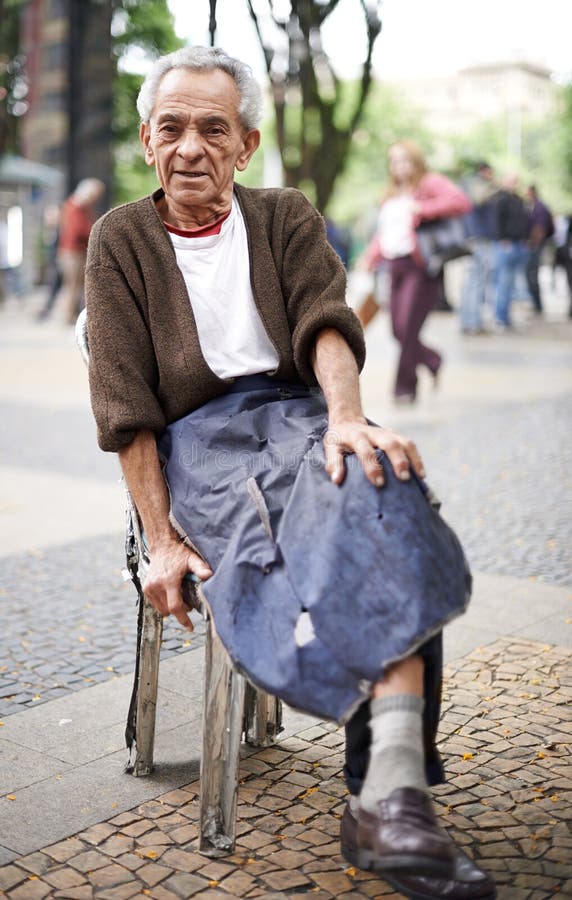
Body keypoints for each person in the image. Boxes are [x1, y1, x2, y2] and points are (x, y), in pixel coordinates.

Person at [85, 47, 495, 900]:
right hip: (196, 443)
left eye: (213, 129)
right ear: (146, 139)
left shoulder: (285, 216)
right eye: (172, 129)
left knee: (385, 487)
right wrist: (159, 542)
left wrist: (347, 419)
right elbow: (125, 406)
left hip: (301, 414)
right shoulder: (121, 238)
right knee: (268, 544)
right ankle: (393, 794)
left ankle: (387, 793)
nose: (191, 148)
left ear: (247, 144)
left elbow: (326, 322)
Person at [359, 140, 471, 404]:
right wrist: (370, 257)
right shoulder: (391, 193)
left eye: (404, 159)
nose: (398, 165)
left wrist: (423, 208)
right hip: (393, 266)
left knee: (408, 328)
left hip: (419, 266)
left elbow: (460, 202)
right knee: (397, 330)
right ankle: (432, 359)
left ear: (416, 160)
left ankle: (404, 388)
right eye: (394, 160)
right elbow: (384, 233)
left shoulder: (429, 183)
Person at [55, 178, 105, 324]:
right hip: (72, 253)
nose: (96, 200)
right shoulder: (74, 207)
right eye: (95, 196)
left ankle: (70, 316)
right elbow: (78, 230)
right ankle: (68, 317)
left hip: (75, 252)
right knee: (72, 286)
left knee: (75, 286)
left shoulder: (81, 208)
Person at [459, 161, 499, 335]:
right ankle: (473, 323)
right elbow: (478, 198)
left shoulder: (471, 183)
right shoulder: (476, 183)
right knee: (475, 282)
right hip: (478, 239)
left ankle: (470, 321)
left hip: (476, 238)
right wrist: (495, 187)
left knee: (473, 282)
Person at [492, 173, 530, 331]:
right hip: (506, 245)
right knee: (503, 282)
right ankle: (500, 318)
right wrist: (502, 239)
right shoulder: (500, 199)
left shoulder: (518, 200)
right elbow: (495, 222)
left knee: (511, 284)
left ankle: (506, 317)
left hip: (519, 244)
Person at [524, 185, 554, 315]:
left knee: (531, 274)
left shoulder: (539, 207)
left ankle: (538, 305)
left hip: (536, 245)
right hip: (535, 244)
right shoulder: (535, 207)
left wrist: (533, 243)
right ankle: (536, 304)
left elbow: (540, 228)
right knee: (531, 274)